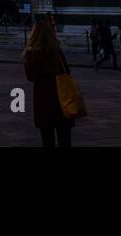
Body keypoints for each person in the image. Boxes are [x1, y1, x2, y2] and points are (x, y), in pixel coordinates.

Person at [22, 19, 75, 147]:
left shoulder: (31, 53)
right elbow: (66, 71)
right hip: (61, 100)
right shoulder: (56, 50)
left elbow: (30, 77)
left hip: (43, 101)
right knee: (65, 140)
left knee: (47, 140)